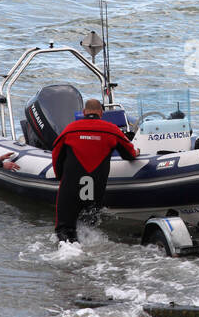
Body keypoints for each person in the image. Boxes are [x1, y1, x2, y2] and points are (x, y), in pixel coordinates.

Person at [50, 99, 139, 243]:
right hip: (95, 188)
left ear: (84, 112)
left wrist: (60, 176)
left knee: (64, 230)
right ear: (101, 113)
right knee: (88, 229)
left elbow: (56, 154)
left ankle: (68, 255)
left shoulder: (70, 129)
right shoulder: (112, 130)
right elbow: (129, 153)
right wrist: (137, 152)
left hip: (70, 187)